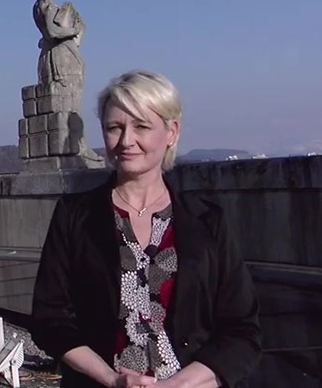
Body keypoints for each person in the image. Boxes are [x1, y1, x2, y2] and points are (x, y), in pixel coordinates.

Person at [30, 70, 261, 388]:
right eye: (114, 128)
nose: (126, 141)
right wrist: (110, 378)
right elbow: (50, 319)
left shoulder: (208, 221)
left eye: (141, 126)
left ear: (171, 132)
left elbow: (242, 330)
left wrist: (181, 383)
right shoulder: (74, 216)